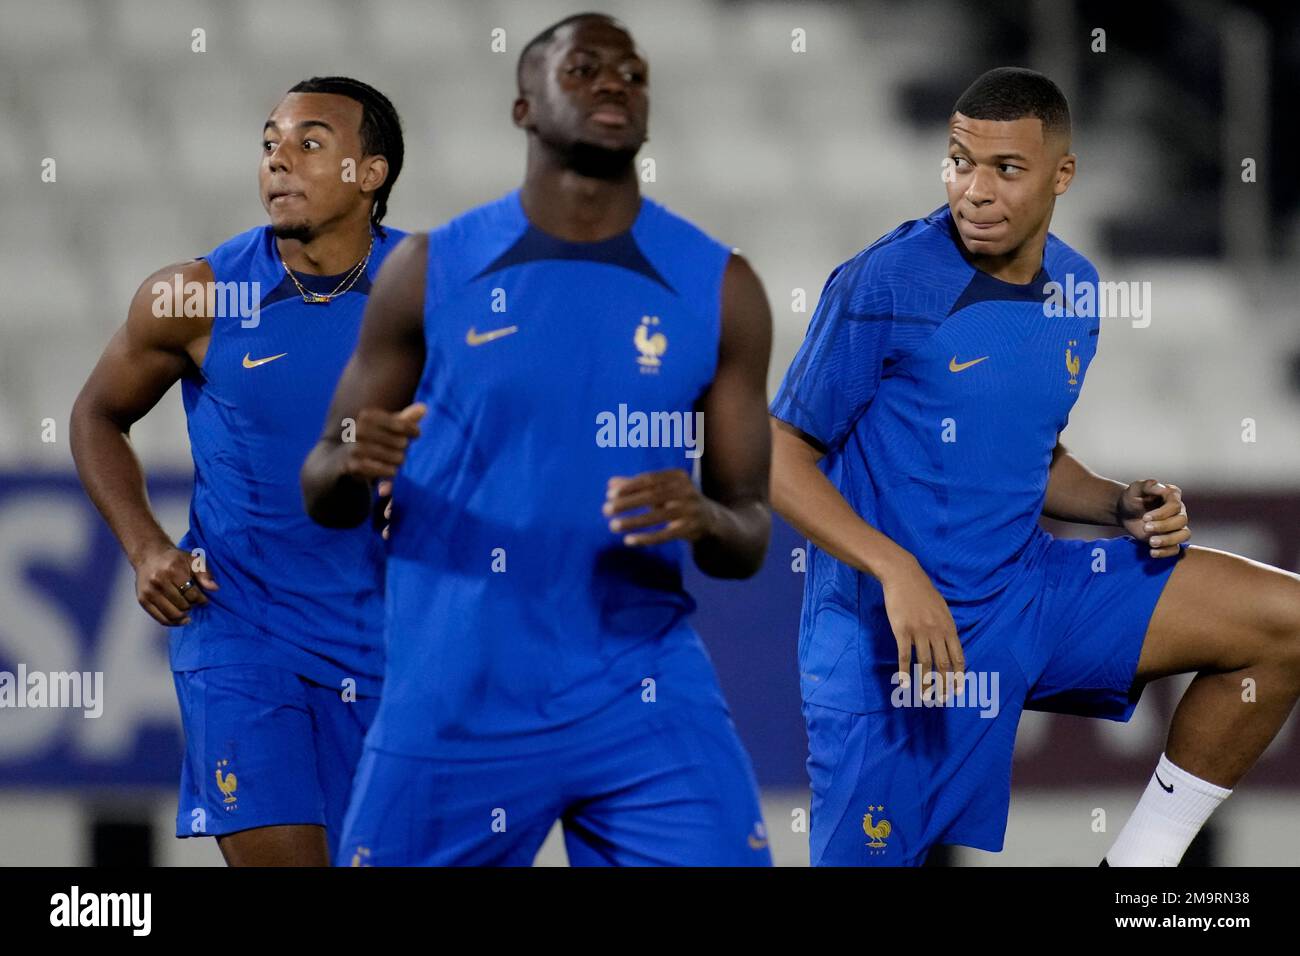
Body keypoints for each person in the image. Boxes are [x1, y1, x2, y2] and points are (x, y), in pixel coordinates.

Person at [769, 66, 1300, 866]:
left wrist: (1119, 503)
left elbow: (1031, 457)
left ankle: (1139, 871)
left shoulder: (1079, 290)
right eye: (958, 161)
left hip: (1028, 595)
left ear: (1063, 174)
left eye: (1005, 169)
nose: (974, 190)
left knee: (1284, 622)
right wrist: (895, 571)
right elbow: (777, 455)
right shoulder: (885, 282)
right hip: (891, 644)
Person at [301, 13, 774, 866]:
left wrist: (706, 517)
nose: (613, 85)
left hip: (643, 691)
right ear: (524, 106)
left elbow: (749, 531)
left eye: (632, 74)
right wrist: (351, 459)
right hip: (456, 697)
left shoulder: (720, 286)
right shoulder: (433, 269)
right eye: (584, 68)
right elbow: (323, 479)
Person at [70, 76, 406, 865]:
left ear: (371, 173)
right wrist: (148, 546)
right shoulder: (195, 297)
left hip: (392, 645)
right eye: (268, 145)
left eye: (309, 143)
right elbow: (95, 415)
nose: (278, 161)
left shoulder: (433, 295)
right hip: (242, 635)